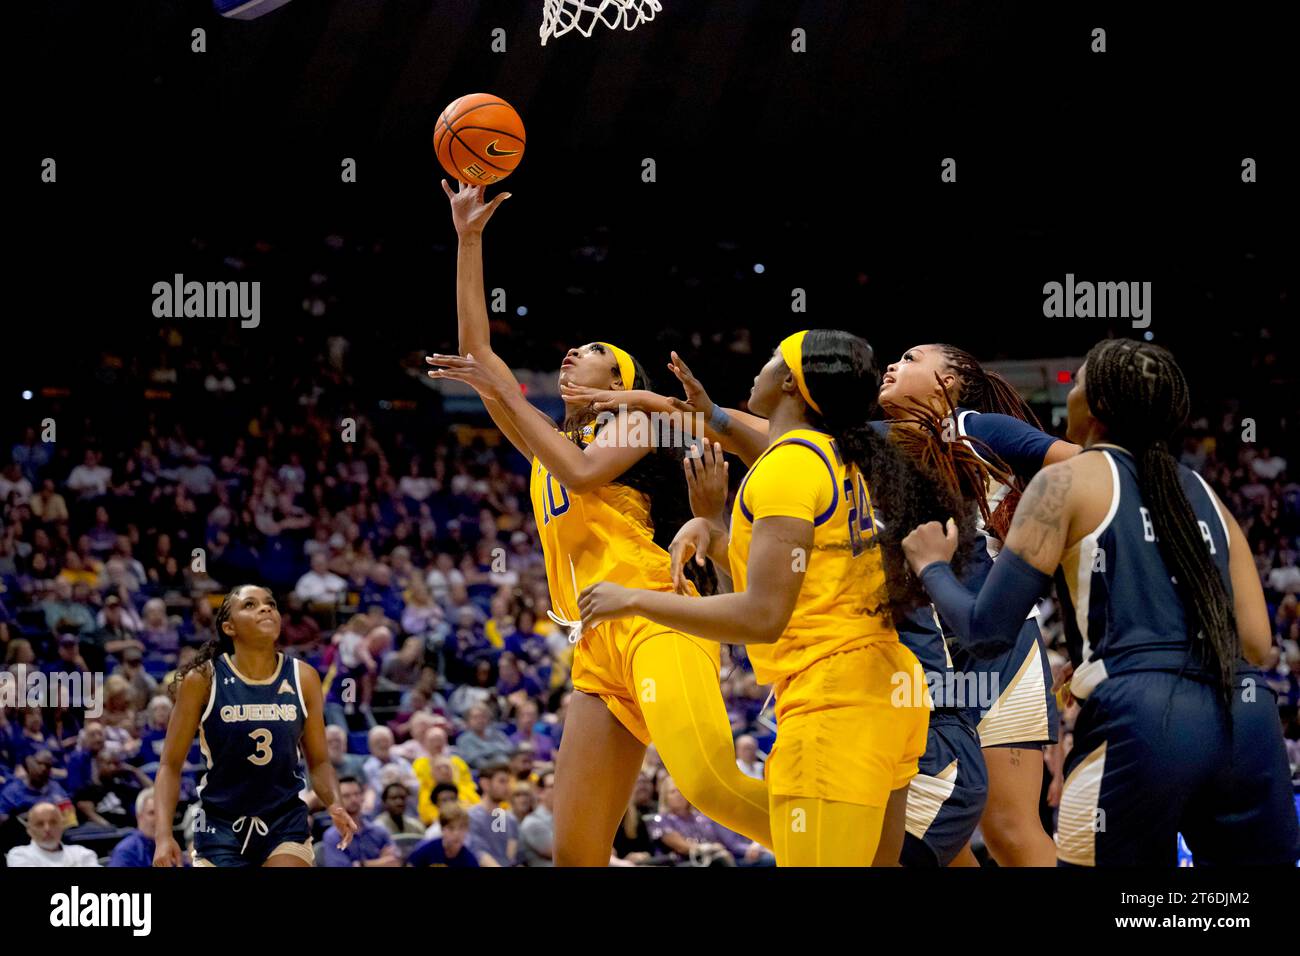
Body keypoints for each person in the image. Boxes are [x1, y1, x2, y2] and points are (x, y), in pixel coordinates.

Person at [426, 179, 770, 865]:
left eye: (591, 349)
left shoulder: (637, 419)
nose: (571, 353)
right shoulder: (549, 441)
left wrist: (498, 387)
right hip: (595, 643)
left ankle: (861, 844)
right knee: (575, 850)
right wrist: (469, 240)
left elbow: (581, 474)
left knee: (711, 786)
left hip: (659, 617)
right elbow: (479, 352)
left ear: (619, 380)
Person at [902, 339, 1300, 866]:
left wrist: (930, 563)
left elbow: (986, 631)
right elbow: (1256, 643)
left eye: (1080, 381)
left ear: (1097, 406)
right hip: (1246, 718)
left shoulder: (1065, 480)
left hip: (1143, 718)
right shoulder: (1207, 493)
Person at [580, 331, 961, 865]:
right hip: (886, 690)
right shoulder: (836, 456)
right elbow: (803, 569)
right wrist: (713, 534)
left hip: (834, 702)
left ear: (789, 381)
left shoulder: (788, 467)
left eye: (771, 359)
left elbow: (761, 615)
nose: (757, 368)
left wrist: (636, 601)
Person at [879, 342, 1075, 865]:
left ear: (953, 381)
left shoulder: (974, 427)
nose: (893, 364)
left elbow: (1082, 468)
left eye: (913, 357)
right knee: (939, 830)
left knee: (1009, 828)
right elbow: (781, 440)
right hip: (925, 656)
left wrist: (1033, 533)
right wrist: (702, 416)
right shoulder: (879, 445)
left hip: (996, 646)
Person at [152, 584, 359, 866]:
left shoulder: (304, 677)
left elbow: (320, 762)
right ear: (229, 627)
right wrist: (163, 836)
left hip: (284, 821)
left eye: (270, 604)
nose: (266, 608)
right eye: (250, 605)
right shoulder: (203, 679)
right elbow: (170, 766)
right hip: (219, 824)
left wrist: (334, 803)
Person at [321, 777, 401, 867]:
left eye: (357, 794)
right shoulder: (332, 837)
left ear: (362, 796)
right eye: (346, 796)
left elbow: (394, 862)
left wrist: (359, 864)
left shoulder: (379, 831)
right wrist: (379, 863)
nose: (353, 799)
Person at [108, 788, 190, 867]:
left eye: (163, 813)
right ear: (139, 816)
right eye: (152, 813)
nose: (159, 819)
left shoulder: (172, 847)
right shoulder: (126, 852)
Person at [5, 801, 99, 867]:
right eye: (39, 824)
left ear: (62, 826)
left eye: (53, 822)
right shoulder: (19, 855)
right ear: (29, 830)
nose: (47, 829)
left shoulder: (82, 854)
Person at [468, 761, 519, 866]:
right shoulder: (471, 817)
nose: (506, 787)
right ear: (485, 784)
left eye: (508, 782)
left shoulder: (510, 819)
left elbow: (511, 857)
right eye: (501, 781)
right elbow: (478, 853)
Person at [407, 803, 479, 867]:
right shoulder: (425, 849)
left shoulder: (470, 860)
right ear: (442, 829)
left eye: (461, 828)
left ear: (467, 829)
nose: (456, 833)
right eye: (451, 828)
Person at [519, 770, 556, 866]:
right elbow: (562, 854)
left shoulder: (565, 820)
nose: (561, 790)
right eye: (554, 786)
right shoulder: (533, 823)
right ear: (540, 792)